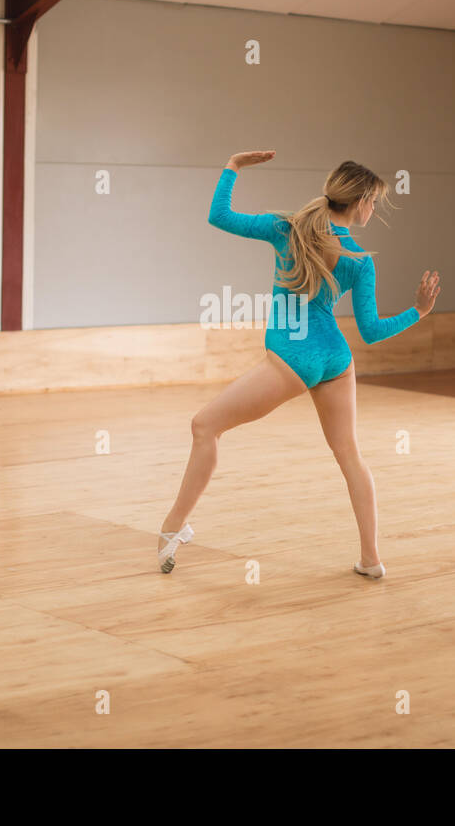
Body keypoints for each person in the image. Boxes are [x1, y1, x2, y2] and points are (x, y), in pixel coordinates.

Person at [157, 150, 440, 578]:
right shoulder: (360, 261)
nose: (374, 209)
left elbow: (219, 215)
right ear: (360, 201)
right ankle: (371, 559)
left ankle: (171, 529)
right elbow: (371, 332)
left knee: (204, 427)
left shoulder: (285, 227)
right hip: (336, 360)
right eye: (374, 202)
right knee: (350, 456)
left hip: (294, 357)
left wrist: (233, 167)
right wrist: (418, 311)